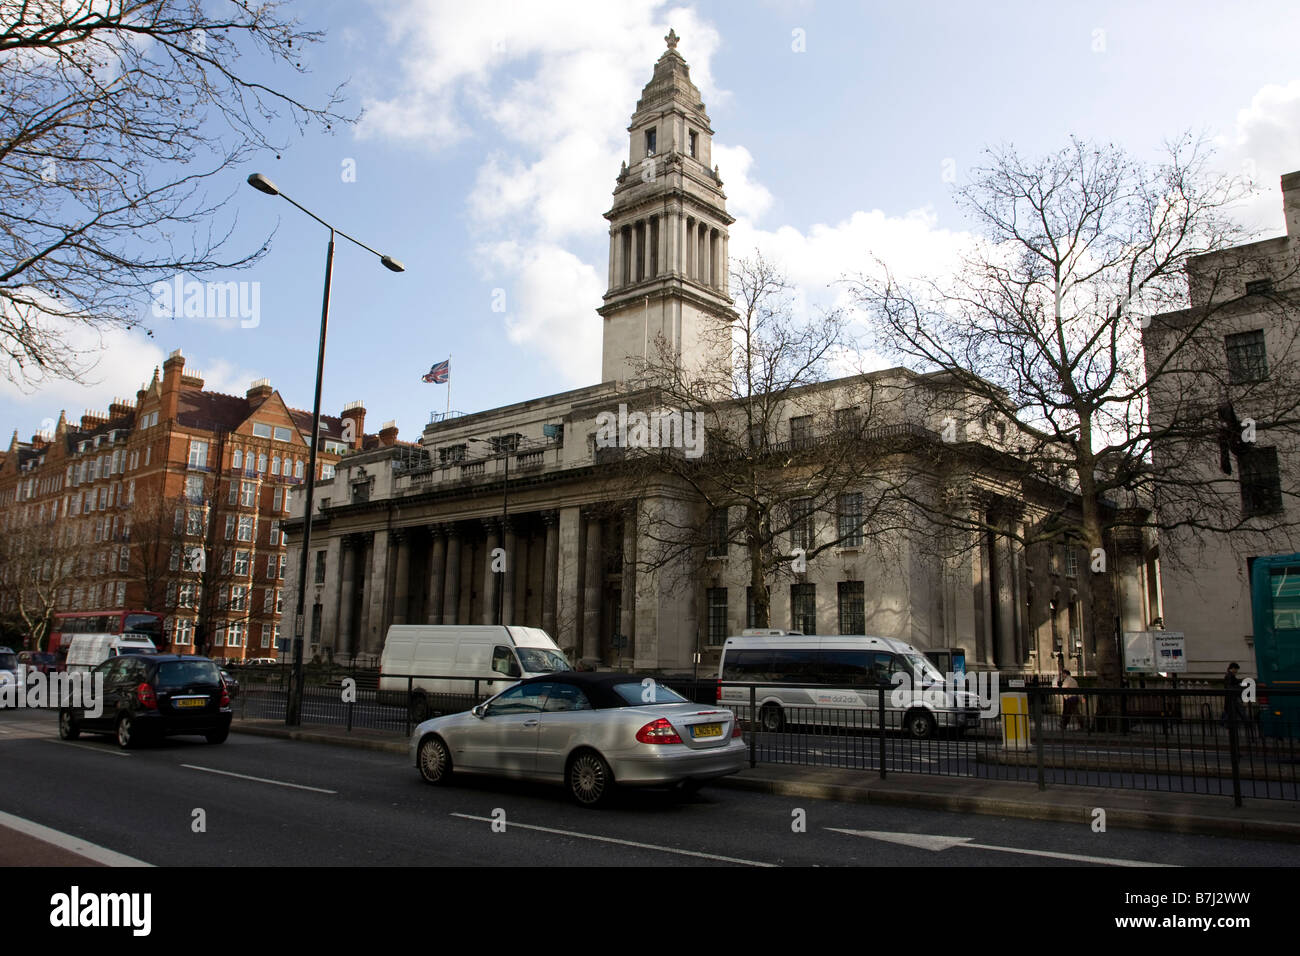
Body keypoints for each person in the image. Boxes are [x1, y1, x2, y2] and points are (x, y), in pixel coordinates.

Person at [1222, 662, 1252, 738]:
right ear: (1233, 668)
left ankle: (1243, 725)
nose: (1236, 671)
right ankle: (1248, 725)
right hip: (1232, 698)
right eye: (1236, 670)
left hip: (1232, 698)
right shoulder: (1229, 676)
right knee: (1239, 711)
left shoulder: (1230, 675)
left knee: (1235, 712)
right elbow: (1232, 686)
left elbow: (1236, 683)